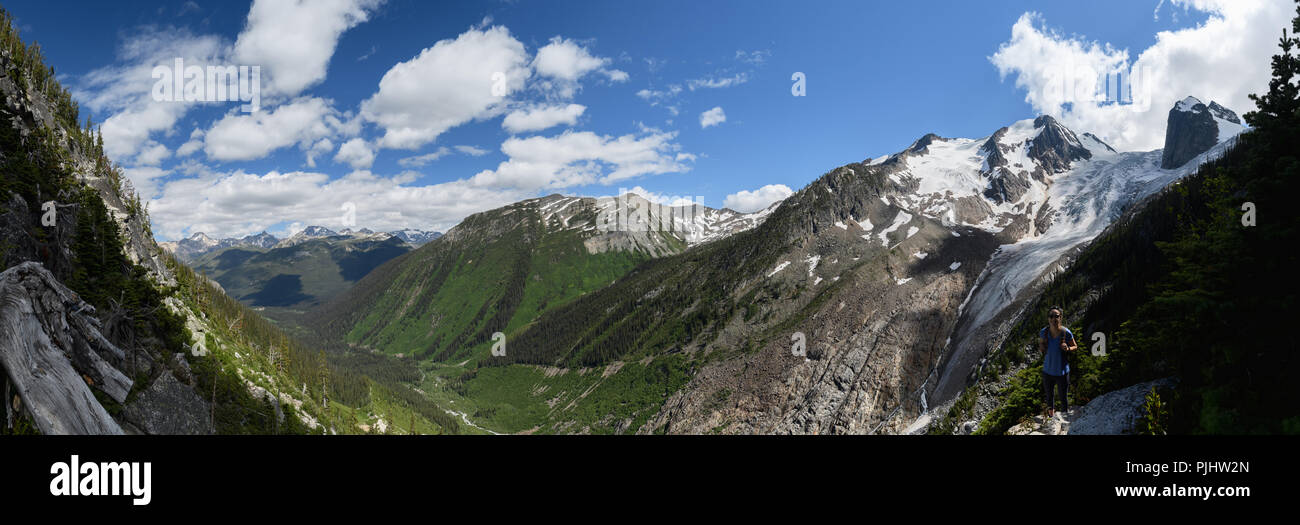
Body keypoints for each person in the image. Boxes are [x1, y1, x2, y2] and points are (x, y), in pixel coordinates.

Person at [1039, 305, 1077, 418]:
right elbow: (1041, 343)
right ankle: (1052, 419)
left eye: (1056, 316)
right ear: (1048, 318)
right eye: (1051, 316)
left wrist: (1068, 348)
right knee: (1049, 397)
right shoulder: (1044, 332)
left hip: (1062, 372)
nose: (1053, 319)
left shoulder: (1066, 333)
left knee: (1063, 397)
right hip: (1047, 371)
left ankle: (1065, 418)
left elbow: (1075, 346)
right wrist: (1041, 346)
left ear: (1061, 318)